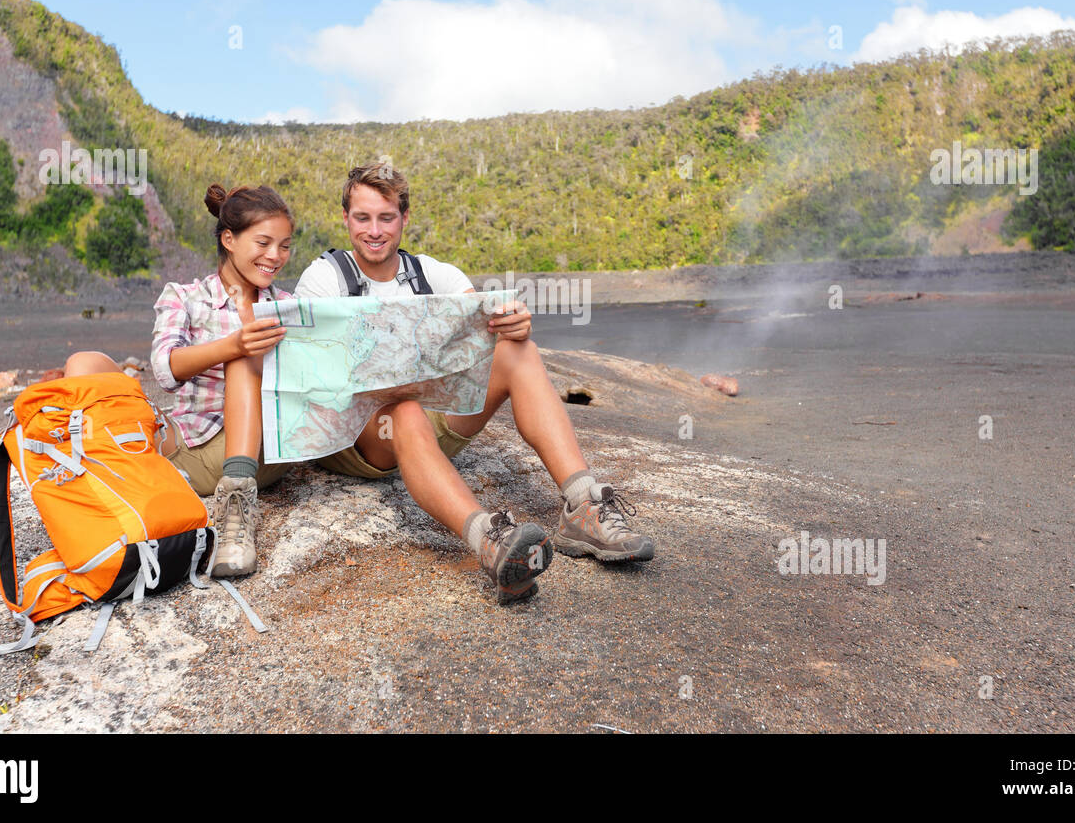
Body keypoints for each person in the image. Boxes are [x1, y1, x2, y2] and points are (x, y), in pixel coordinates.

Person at [294, 162, 654, 604]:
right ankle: (488, 538)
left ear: (404, 219)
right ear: (346, 219)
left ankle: (583, 503)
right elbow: (310, 375)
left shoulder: (433, 275)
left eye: (386, 217)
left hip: (430, 422)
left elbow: (485, 324)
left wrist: (514, 324)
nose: (374, 230)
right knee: (404, 411)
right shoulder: (323, 279)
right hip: (364, 435)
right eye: (362, 218)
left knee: (517, 351)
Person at [62, 183, 294, 578]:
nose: (275, 256)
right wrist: (230, 342)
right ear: (229, 239)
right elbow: (165, 371)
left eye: (285, 245)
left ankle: (236, 518)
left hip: (255, 449)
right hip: (187, 440)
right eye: (264, 242)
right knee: (84, 363)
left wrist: (240, 343)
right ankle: (97, 491)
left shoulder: (287, 306)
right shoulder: (184, 297)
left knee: (242, 356)